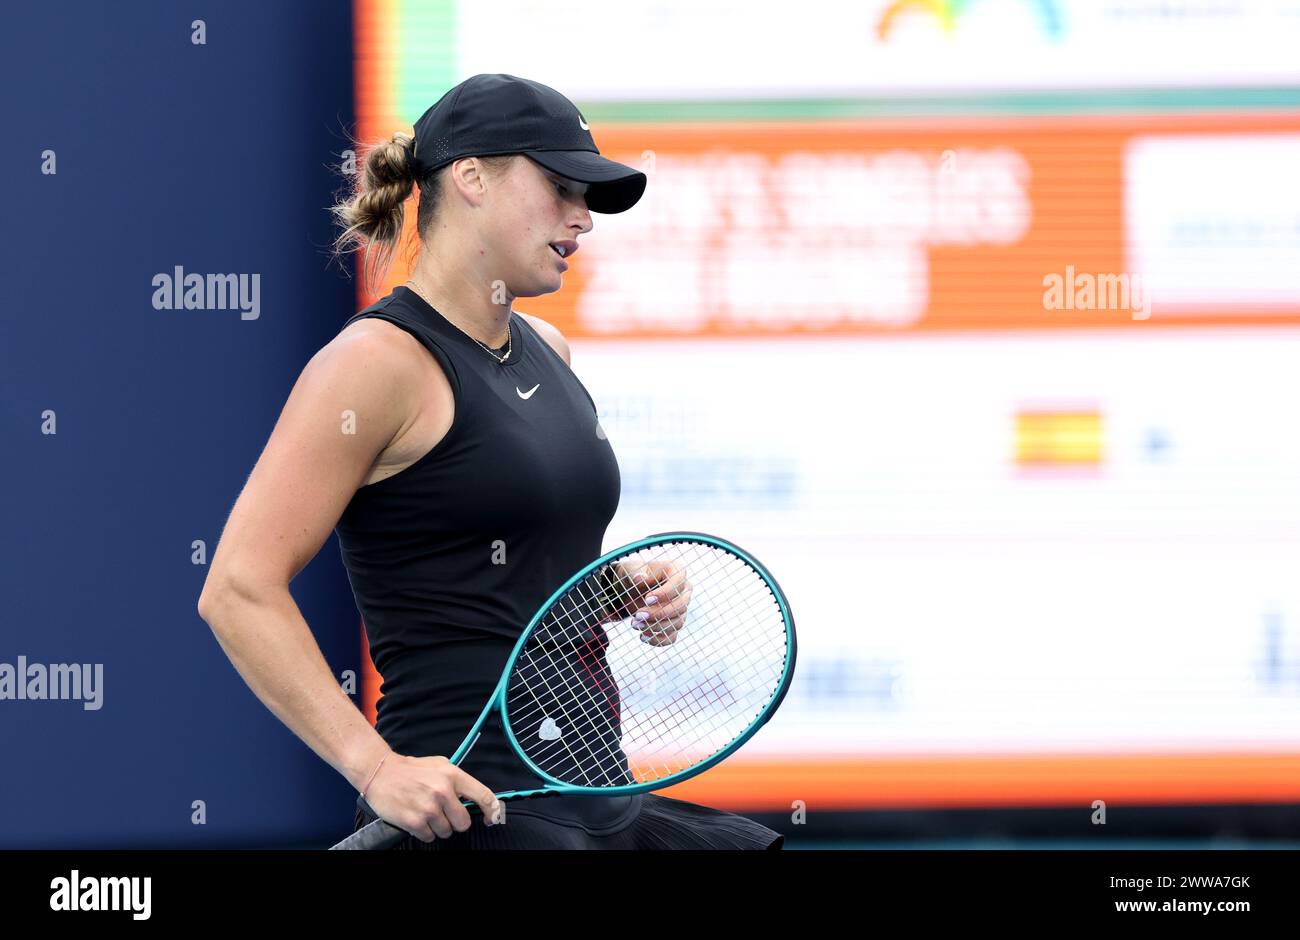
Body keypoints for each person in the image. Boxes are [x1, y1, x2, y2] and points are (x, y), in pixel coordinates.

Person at [199, 73, 783, 849]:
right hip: (478, 810)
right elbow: (237, 589)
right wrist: (375, 771)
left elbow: (499, 572)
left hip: (596, 795)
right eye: (561, 186)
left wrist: (616, 588)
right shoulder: (373, 365)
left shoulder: (552, 350)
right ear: (470, 176)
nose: (583, 217)